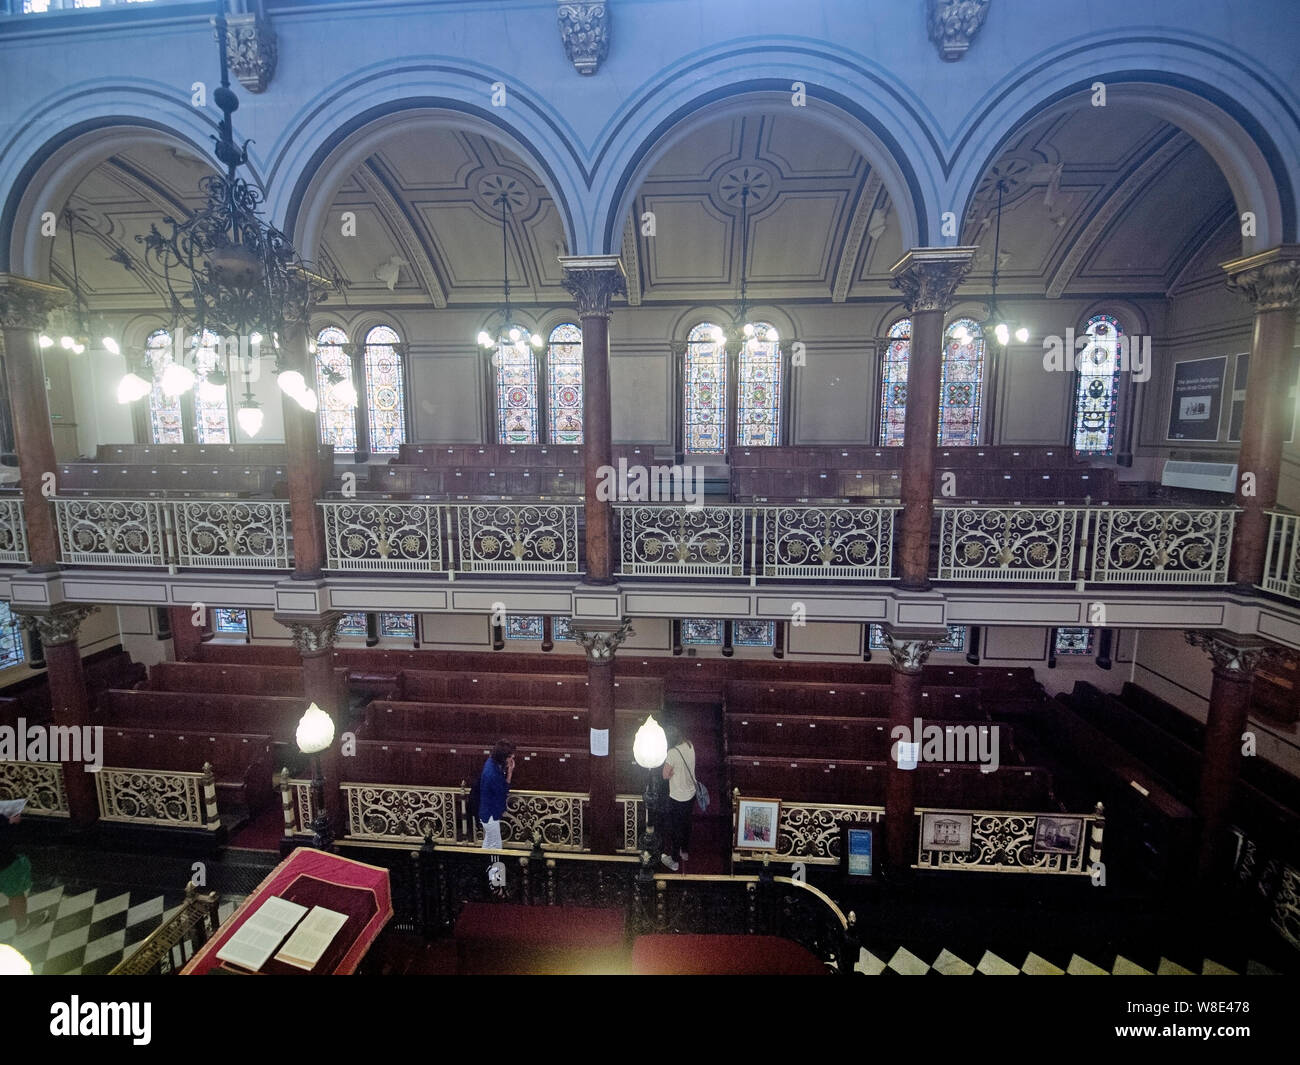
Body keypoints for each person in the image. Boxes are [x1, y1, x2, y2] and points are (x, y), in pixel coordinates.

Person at [0, 812, 46, 936]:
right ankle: (23, 926)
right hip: (3, 864)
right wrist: (11, 824)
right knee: (15, 895)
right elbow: (4, 841)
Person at [660, 724, 697, 870]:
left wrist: (671, 773)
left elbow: (664, 775)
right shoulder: (689, 745)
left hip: (678, 796)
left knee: (676, 827)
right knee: (687, 823)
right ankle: (685, 851)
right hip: (691, 793)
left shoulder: (672, 753)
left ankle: (674, 860)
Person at [478, 740, 515, 849]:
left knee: (489, 841)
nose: (511, 759)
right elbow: (503, 792)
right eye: (509, 757)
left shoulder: (491, 763)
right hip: (491, 814)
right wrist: (509, 773)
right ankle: (494, 866)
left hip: (486, 812)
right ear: (502, 757)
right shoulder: (492, 774)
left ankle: (486, 864)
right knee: (496, 846)